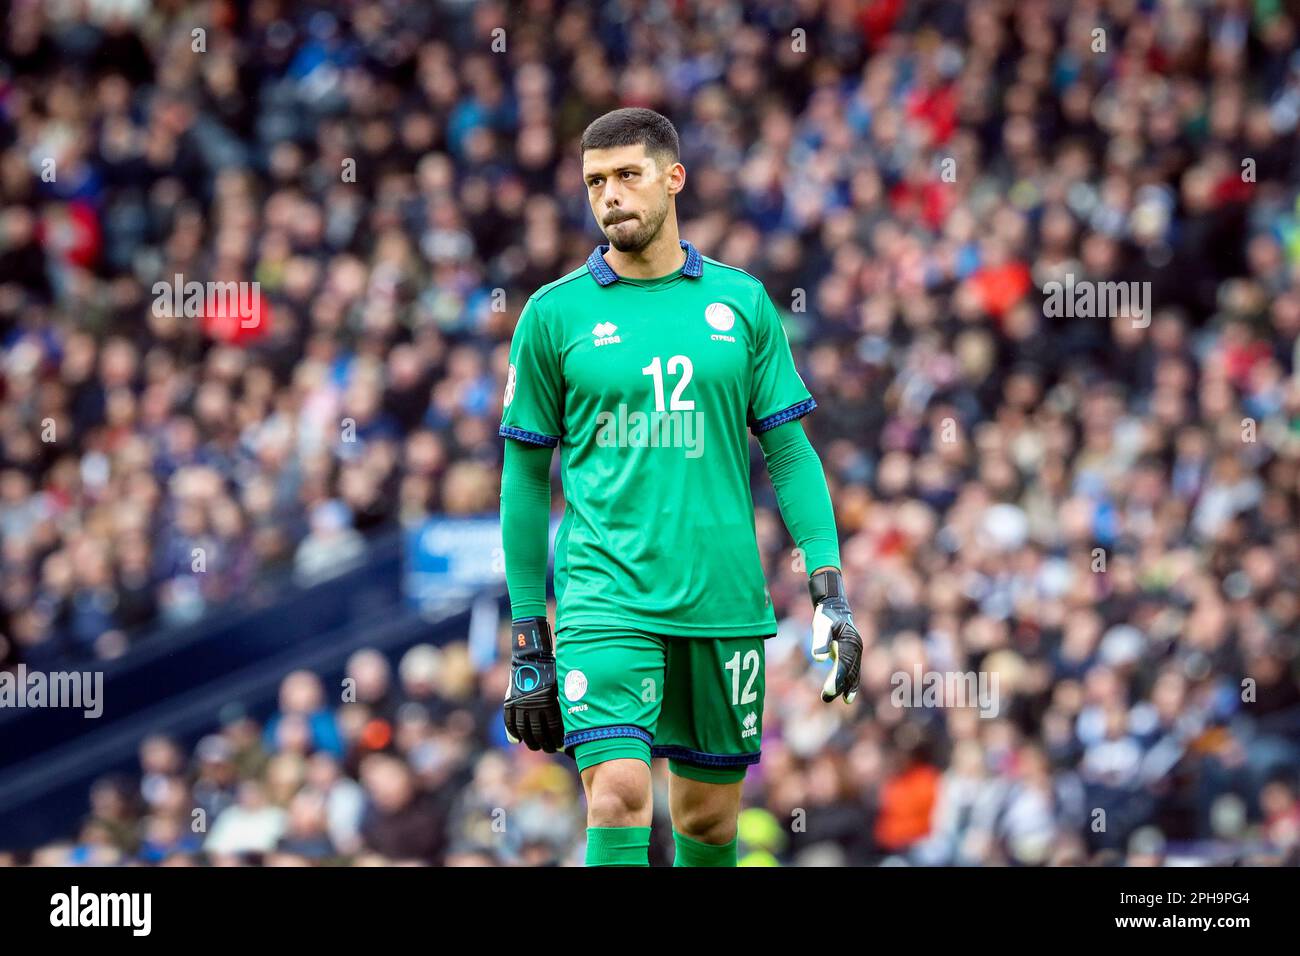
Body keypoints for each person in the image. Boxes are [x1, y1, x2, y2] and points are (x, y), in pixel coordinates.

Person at [497, 107, 862, 867]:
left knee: (705, 823)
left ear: (673, 178)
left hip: (723, 600)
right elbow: (527, 479)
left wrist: (830, 588)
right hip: (606, 595)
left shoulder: (743, 302)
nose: (611, 196)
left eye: (628, 175)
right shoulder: (552, 315)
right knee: (620, 791)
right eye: (596, 182)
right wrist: (530, 633)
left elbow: (790, 456)